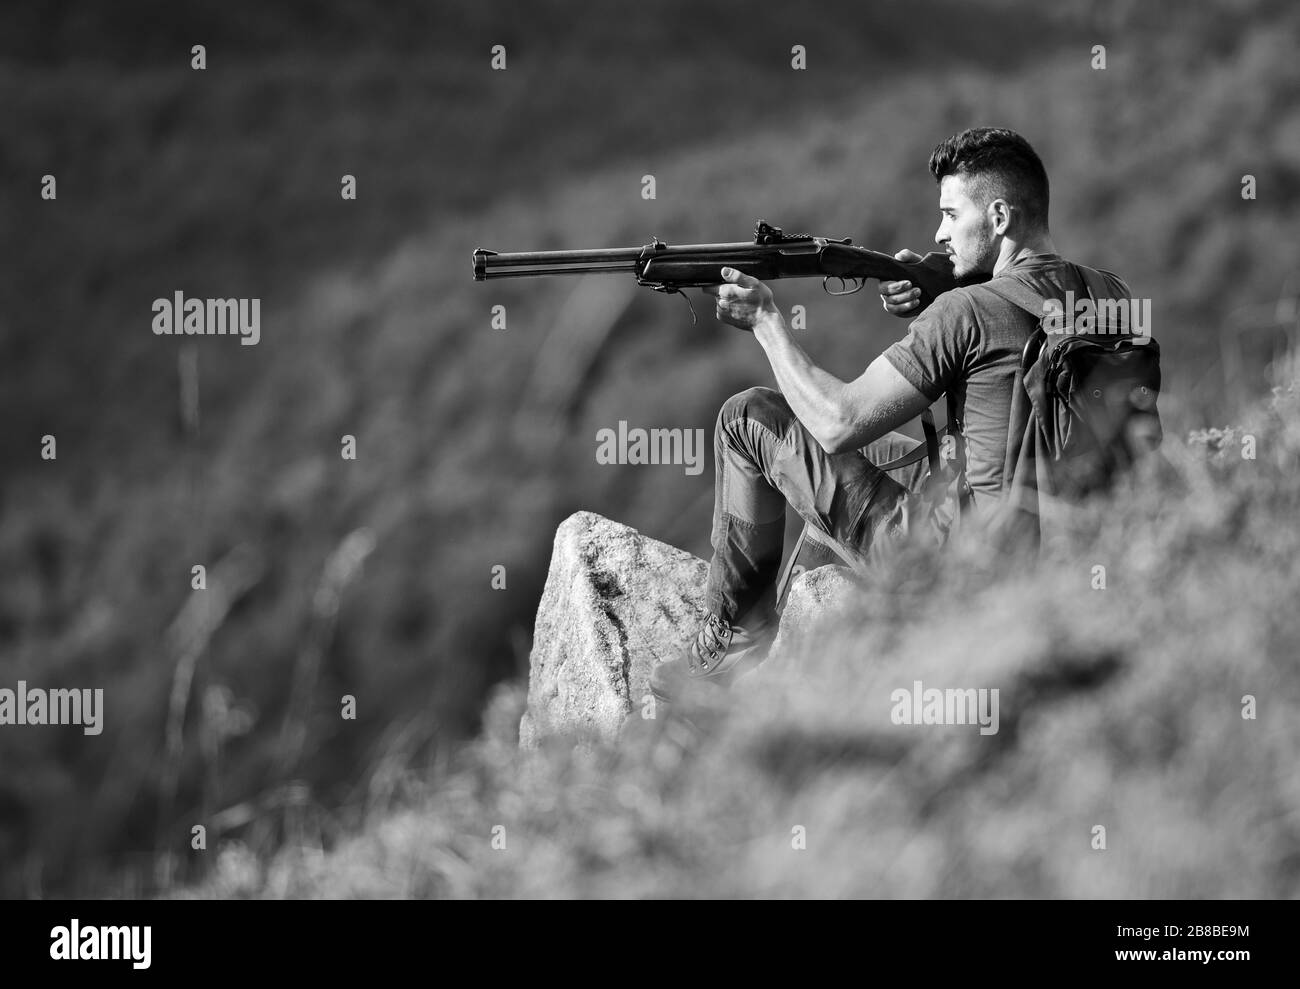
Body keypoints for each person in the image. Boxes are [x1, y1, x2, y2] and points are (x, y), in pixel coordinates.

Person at [649, 126, 1132, 706]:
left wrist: (767, 324)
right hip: (1078, 546)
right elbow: (1017, 349)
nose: (939, 233)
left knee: (748, 415)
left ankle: (728, 653)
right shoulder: (1112, 296)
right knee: (908, 453)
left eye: (951, 216)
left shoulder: (966, 312)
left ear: (999, 216)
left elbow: (837, 423)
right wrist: (941, 292)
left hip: (960, 571)